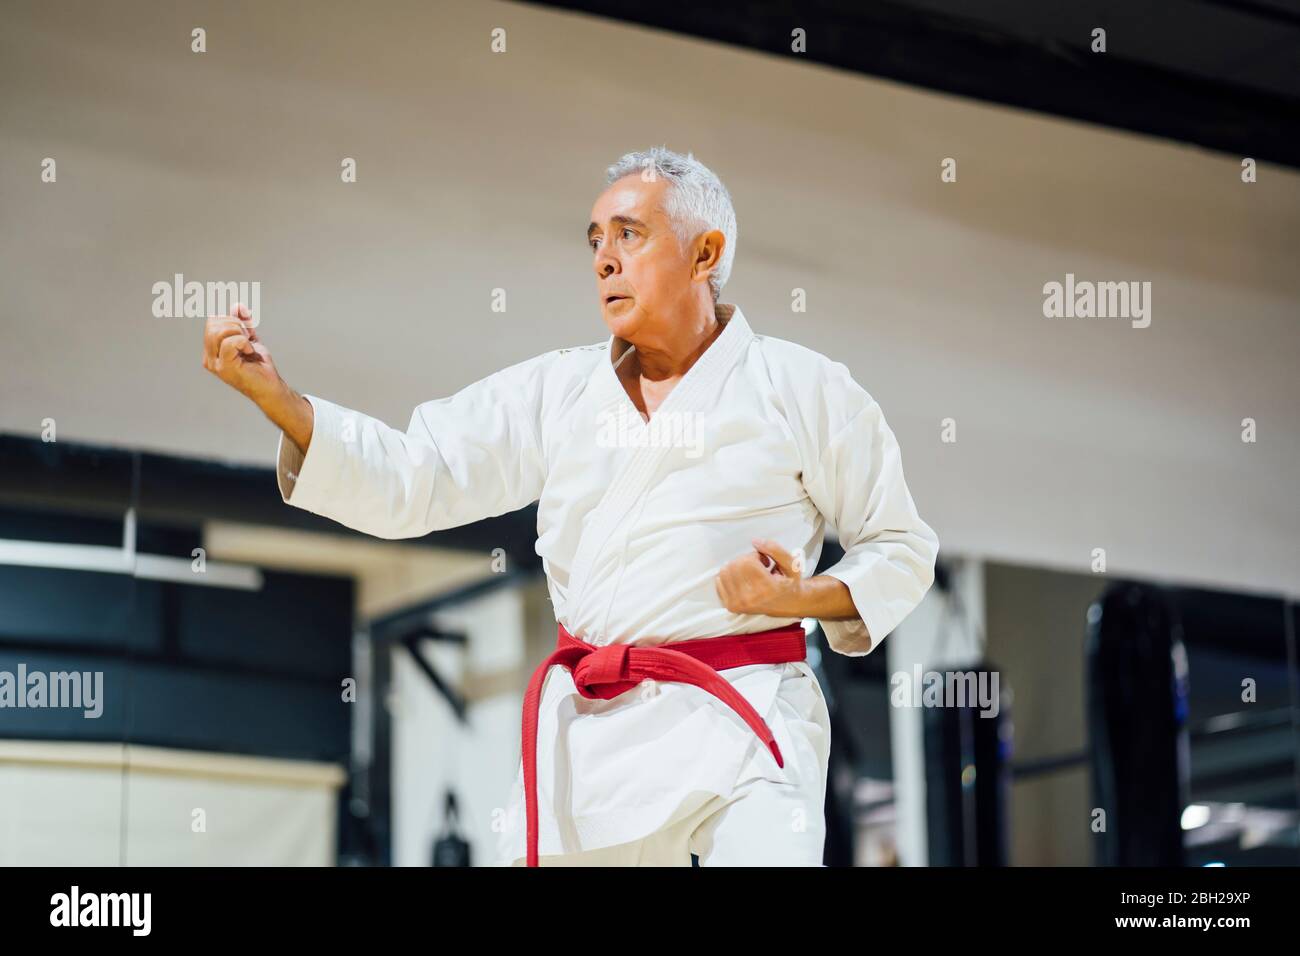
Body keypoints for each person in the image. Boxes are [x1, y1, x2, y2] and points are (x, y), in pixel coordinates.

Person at [201, 146, 939, 866]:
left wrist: (799, 595)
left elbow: (900, 545)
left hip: (745, 725)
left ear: (705, 253)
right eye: (595, 239)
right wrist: (283, 404)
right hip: (591, 744)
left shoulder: (802, 388)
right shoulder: (556, 394)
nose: (603, 258)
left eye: (629, 234)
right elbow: (414, 475)